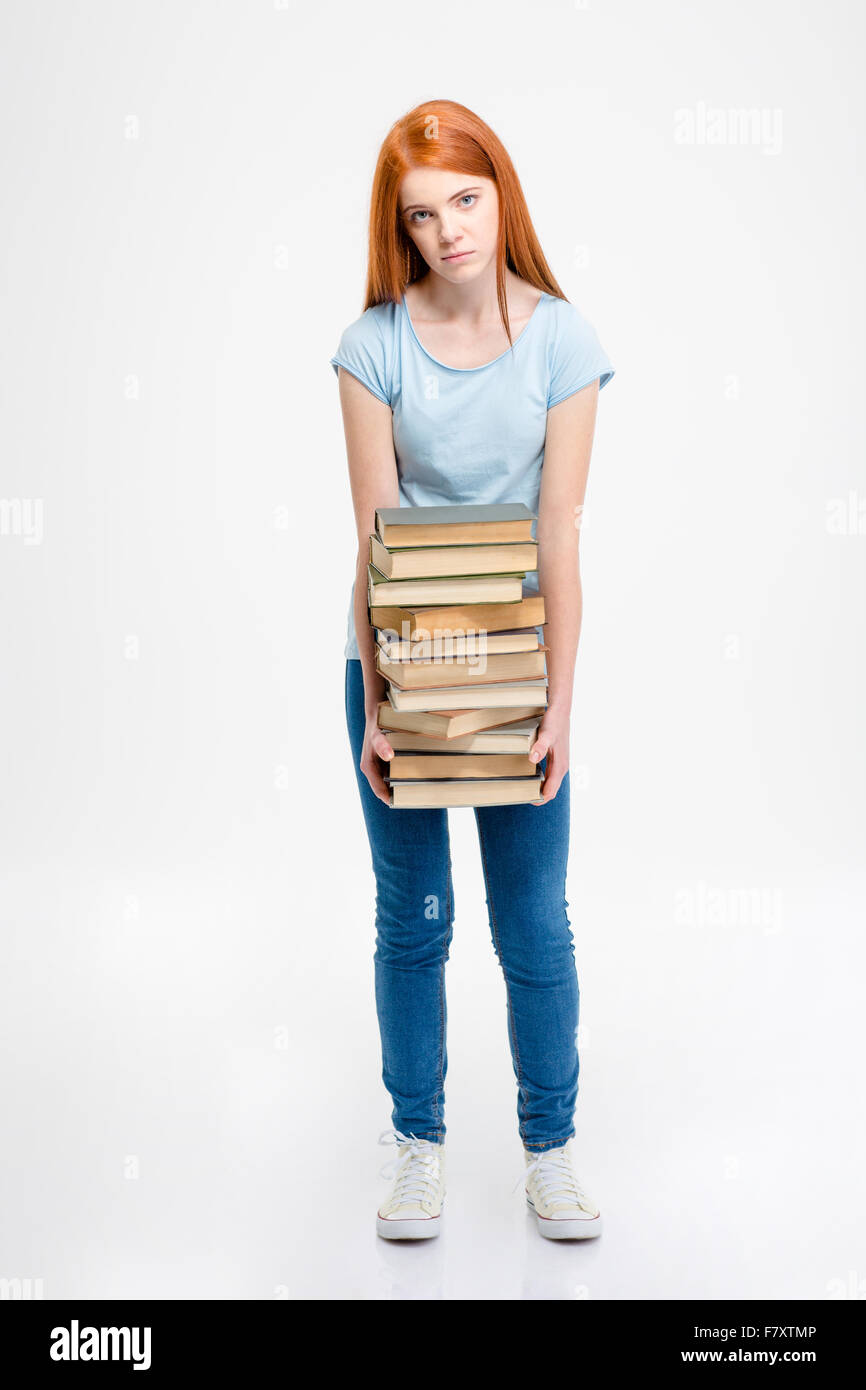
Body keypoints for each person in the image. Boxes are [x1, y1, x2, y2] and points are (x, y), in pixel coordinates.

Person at [330, 99, 615, 1241]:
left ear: (498, 191)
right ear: (397, 232)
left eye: (464, 197)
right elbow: (375, 533)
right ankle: (417, 1146)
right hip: (397, 665)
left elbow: (559, 536)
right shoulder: (371, 346)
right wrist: (378, 702)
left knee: (532, 921)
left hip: (517, 669)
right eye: (420, 214)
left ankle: (549, 1148)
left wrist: (558, 706)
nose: (448, 229)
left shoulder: (561, 341)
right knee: (413, 917)